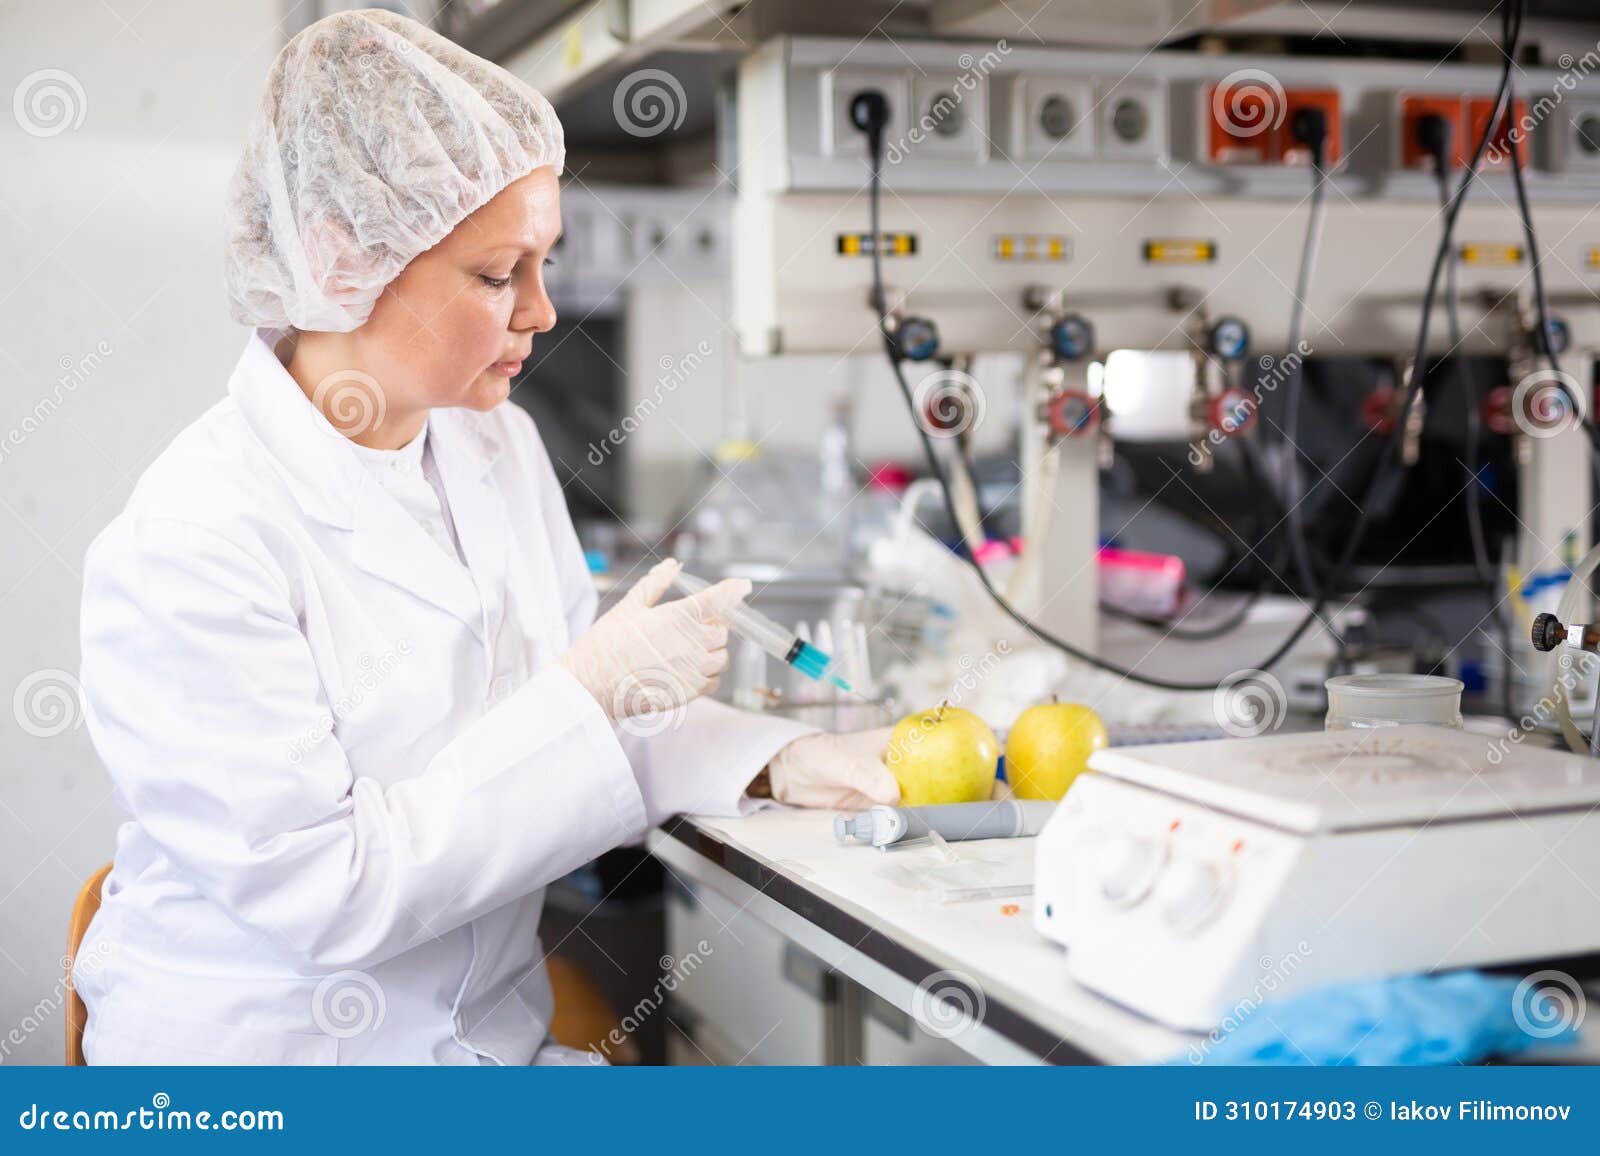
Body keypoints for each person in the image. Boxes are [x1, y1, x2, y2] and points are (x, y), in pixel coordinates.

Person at [73, 9, 896, 1066]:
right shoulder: (195, 539)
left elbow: (590, 732)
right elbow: (331, 893)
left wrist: (781, 758)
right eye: (499, 273)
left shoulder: (492, 445)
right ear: (341, 260)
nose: (542, 311)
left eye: (544, 264)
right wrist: (587, 689)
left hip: (487, 1047)